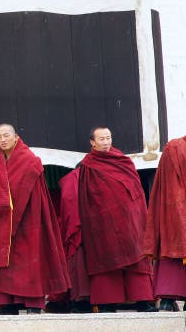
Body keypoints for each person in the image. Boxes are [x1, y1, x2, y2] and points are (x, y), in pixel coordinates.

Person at [0, 124, 69, 314]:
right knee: (4, 265)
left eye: (6, 135)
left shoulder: (30, 161)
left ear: (15, 137)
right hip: (2, 222)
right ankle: (6, 303)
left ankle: (33, 304)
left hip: (28, 221)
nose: (3, 140)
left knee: (29, 263)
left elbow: (37, 196)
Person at [79, 127, 156, 312]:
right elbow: (86, 199)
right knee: (105, 258)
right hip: (102, 223)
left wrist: (137, 216)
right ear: (92, 142)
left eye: (108, 138)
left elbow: (136, 192)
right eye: (102, 139)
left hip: (129, 221)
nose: (106, 142)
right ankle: (107, 303)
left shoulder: (123, 161)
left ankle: (143, 301)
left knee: (136, 257)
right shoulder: (88, 166)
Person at [143, 135, 186, 311]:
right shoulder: (174, 148)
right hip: (175, 206)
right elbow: (172, 187)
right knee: (172, 251)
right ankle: (168, 299)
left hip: (175, 206)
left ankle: (169, 299)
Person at [58, 167, 91, 312]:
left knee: (76, 263)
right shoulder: (73, 181)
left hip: (75, 230)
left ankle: (78, 299)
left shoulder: (70, 181)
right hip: (85, 230)